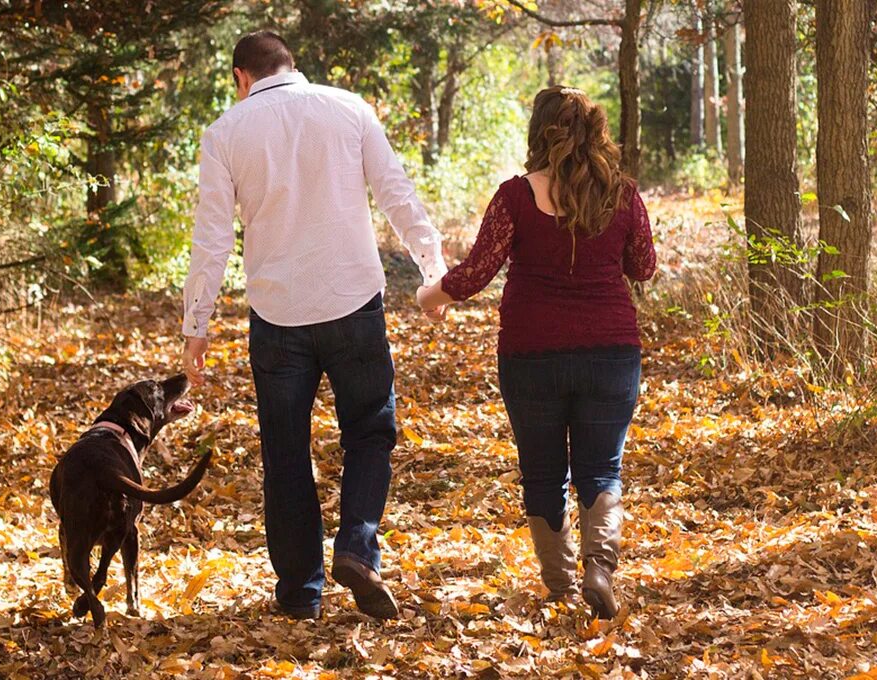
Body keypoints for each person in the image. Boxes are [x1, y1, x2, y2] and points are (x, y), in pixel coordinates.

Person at [180, 31, 447, 620]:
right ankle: (357, 544)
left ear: (239, 77)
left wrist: (195, 323)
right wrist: (435, 270)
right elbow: (396, 194)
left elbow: (212, 238)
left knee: (285, 453)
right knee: (370, 431)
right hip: (353, 302)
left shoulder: (225, 134)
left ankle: (301, 593)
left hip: (277, 317)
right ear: (291, 66)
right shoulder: (348, 108)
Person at [416, 86, 656, 619]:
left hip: (532, 354)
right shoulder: (622, 194)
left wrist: (427, 296)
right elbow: (643, 267)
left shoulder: (516, 196)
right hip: (611, 352)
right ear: (595, 132)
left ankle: (561, 585)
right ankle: (600, 566)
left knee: (543, 473)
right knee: (602, 469)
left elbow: (477, 272)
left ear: (538, 131)